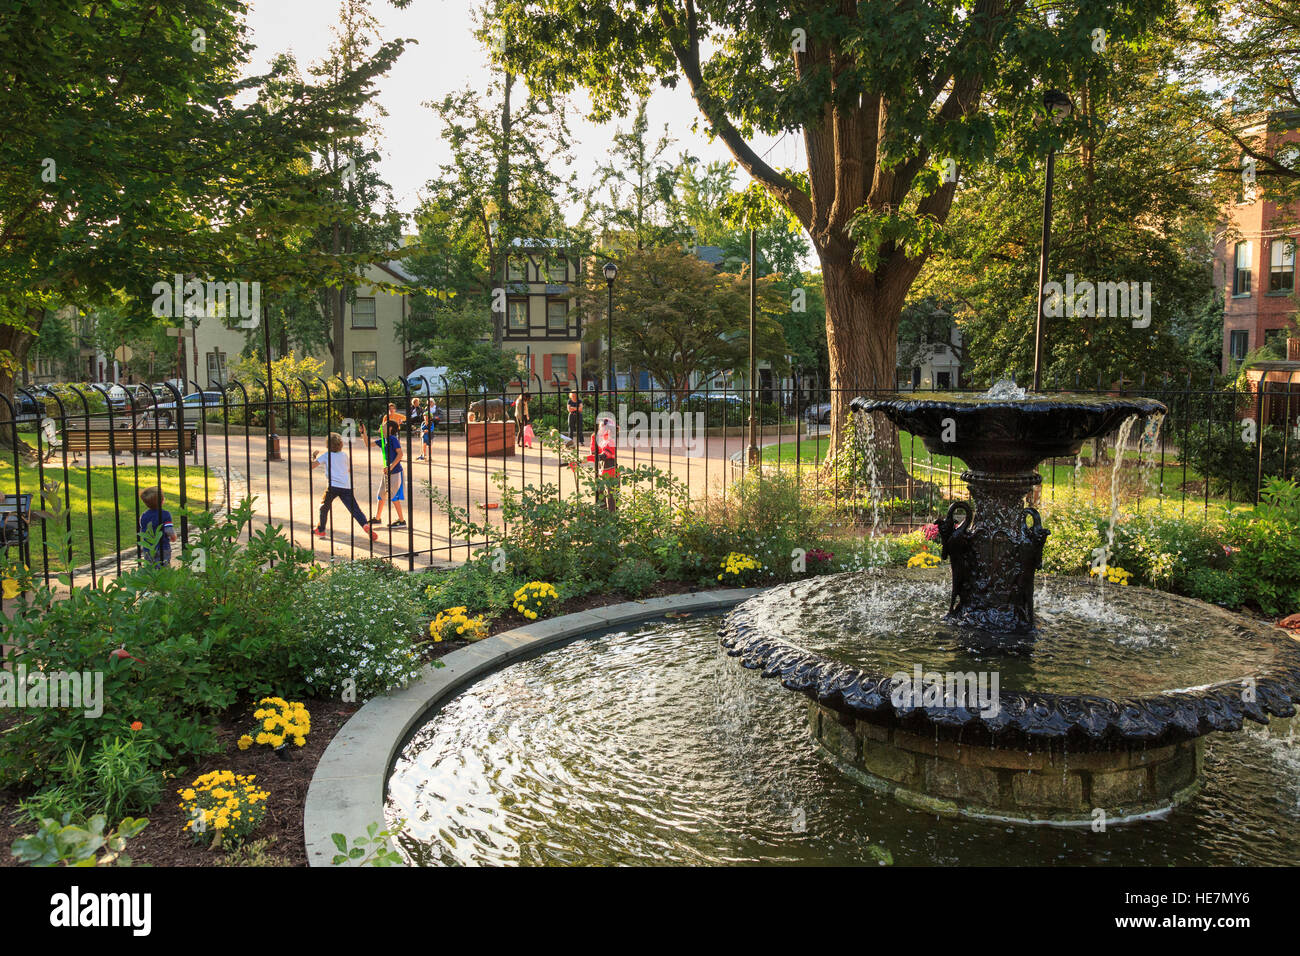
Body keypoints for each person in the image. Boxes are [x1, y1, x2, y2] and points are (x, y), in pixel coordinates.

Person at [311, 431, 377, 541]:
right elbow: (349, 469)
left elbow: (312, 466)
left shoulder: (326, 455)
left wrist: (313, 456)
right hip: (346, 486)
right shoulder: (344, 455)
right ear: (340, 444)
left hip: (332, 487)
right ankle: (365, 524)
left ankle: (321, 530)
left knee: (324, 508)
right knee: (355, 509)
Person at [362, 420, 406, 527]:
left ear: (390, 429)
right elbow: (368, 444)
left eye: (384, 425)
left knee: (393, 496)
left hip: (395, 472)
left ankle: (401, 520)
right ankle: (377, 518)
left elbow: (400, 454)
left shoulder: (392, 439)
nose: (381, 426)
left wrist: (390, 466)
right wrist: (364, 433)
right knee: (381, 494)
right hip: (387, 472)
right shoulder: (383, 440)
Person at [138, 485, 177, 566]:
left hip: (148, 548)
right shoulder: (165, 514)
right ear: (162, 500)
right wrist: (173, 537)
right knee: (163, 567)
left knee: (151, 566)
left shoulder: (144, 516)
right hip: (163, 547)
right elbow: (168, 530)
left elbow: (143, 530)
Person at [587, 416, 618, 511]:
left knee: (612, 493)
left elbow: (605, 454)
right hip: (601, 466)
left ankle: (613, 513)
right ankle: (603, 511)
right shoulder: (595, 437)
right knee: (600, 490)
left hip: (611, 467)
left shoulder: (611, 440)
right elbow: (593, 452)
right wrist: (592, 457)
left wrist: (589, 458)